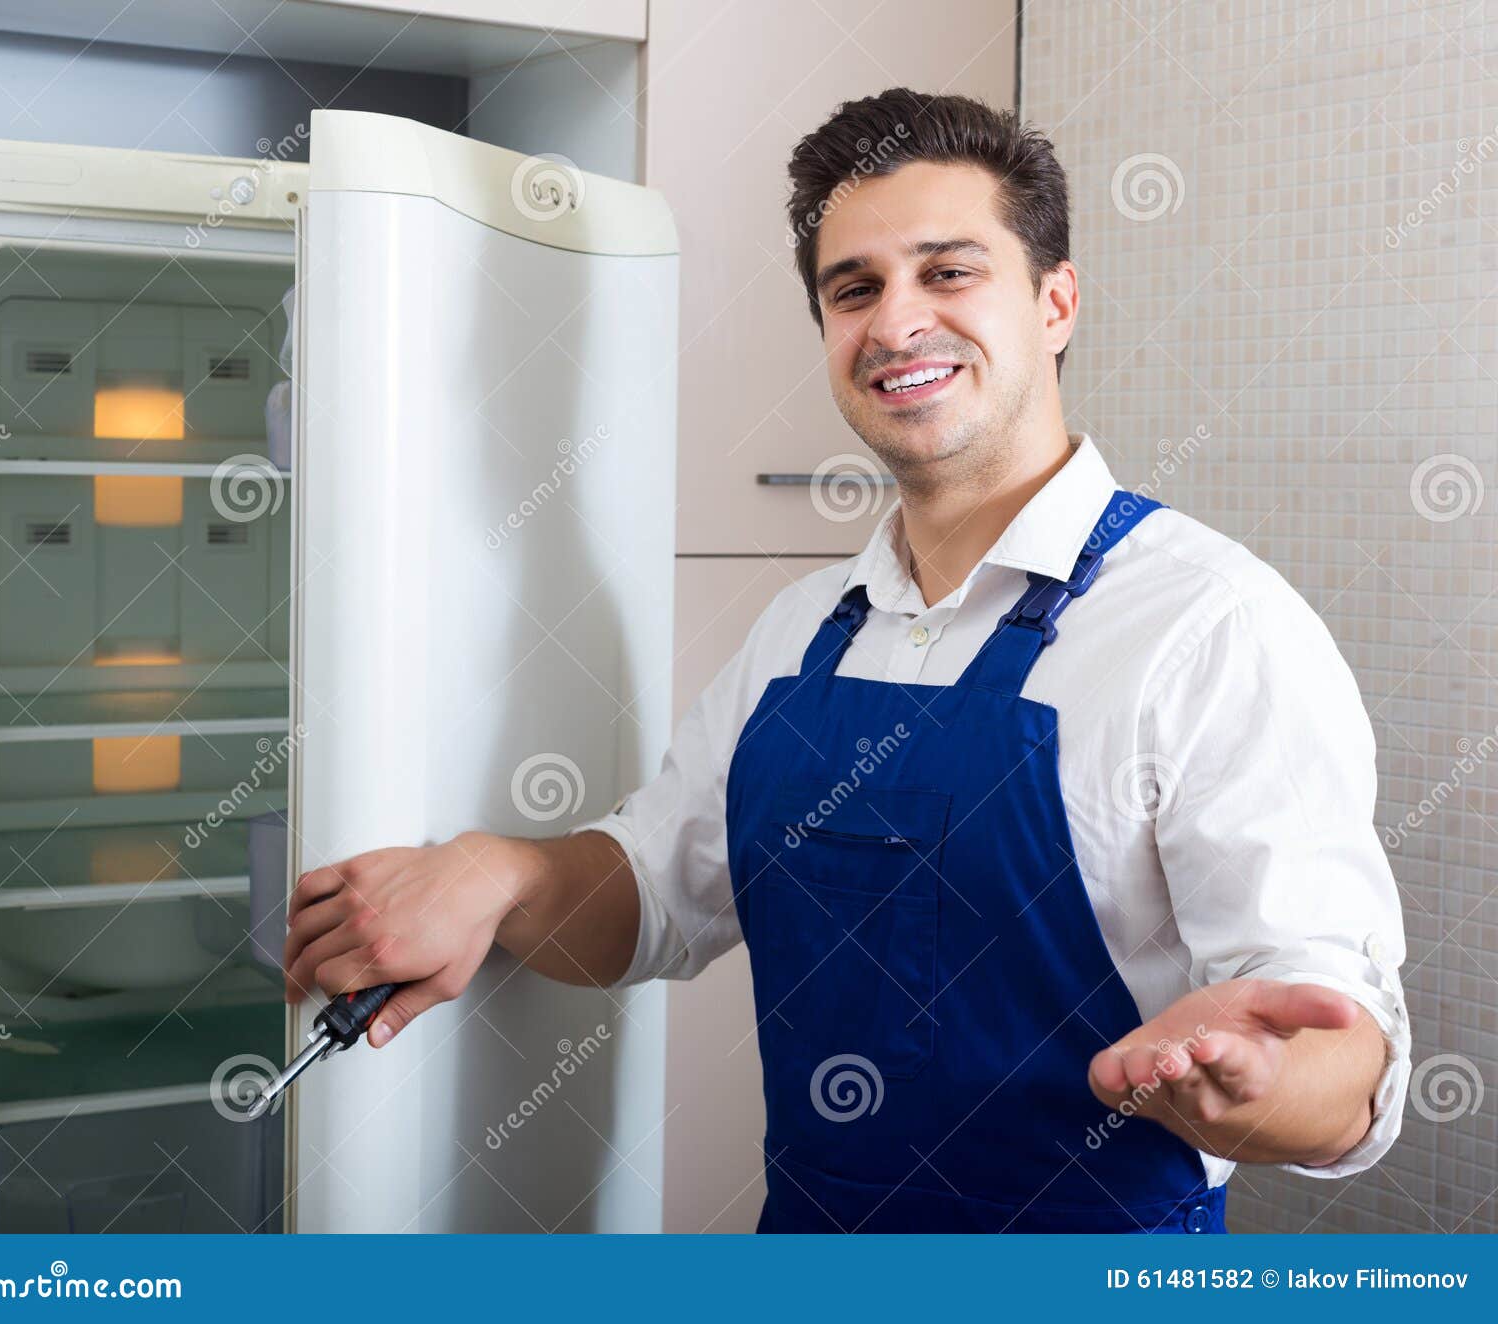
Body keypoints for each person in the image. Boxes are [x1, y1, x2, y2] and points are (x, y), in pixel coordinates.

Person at [284, 88, 1408, 1234]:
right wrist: (496, 873)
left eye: (948, 271)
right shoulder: (804, 631)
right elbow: (656, 892)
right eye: (853, 288)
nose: (895, 322)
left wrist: (1257, 1091)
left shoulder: (1207, 626)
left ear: (1056, 300)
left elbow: (1341, 1046)